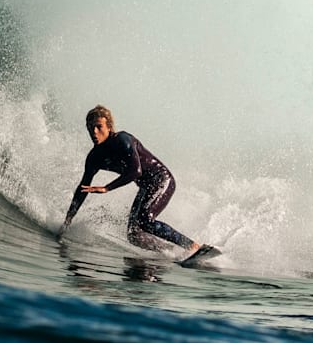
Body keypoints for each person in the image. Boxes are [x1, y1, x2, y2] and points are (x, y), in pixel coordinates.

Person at [59, 105, 209, 258]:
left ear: (109, 127)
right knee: (134, 235)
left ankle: (192, 246)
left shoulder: (123, 140)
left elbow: (135, 171)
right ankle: (170, 252)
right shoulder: (94, 157)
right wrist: (68, 219)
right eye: (90, 128)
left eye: (99, 127)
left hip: (162, 179)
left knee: (145, 220)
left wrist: (107, 188)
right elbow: (82, 188)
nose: (94, 132)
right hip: (145, 187)